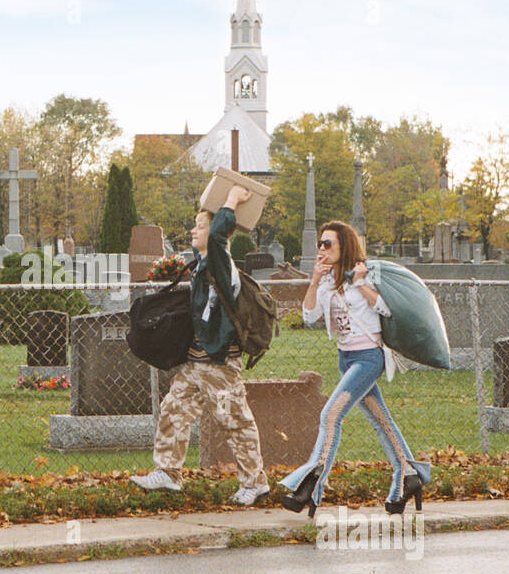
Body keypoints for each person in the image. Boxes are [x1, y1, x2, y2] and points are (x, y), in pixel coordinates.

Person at [278, 220, 430, 517]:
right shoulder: (325, 282)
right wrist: (313, 280)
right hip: (346, 359)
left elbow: (386, 309)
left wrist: (360, 283)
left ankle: (309, 485)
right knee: (380, 421)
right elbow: (309, 317)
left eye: (327, 244)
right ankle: (409, 473)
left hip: (368, 358)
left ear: (343, 246)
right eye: (319, 244)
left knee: (330, 415)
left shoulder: (364, 274)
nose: (321, 249)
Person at [131, 185, 268, 505]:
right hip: (197, 362)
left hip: (218, 363)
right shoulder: (205, 262)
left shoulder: (221, 263)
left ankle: (254, 481)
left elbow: (220, 236)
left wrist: (232, 199)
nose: (194, 230)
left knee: (234, 421)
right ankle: (167, 472)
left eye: (200, 226)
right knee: (174, 408)